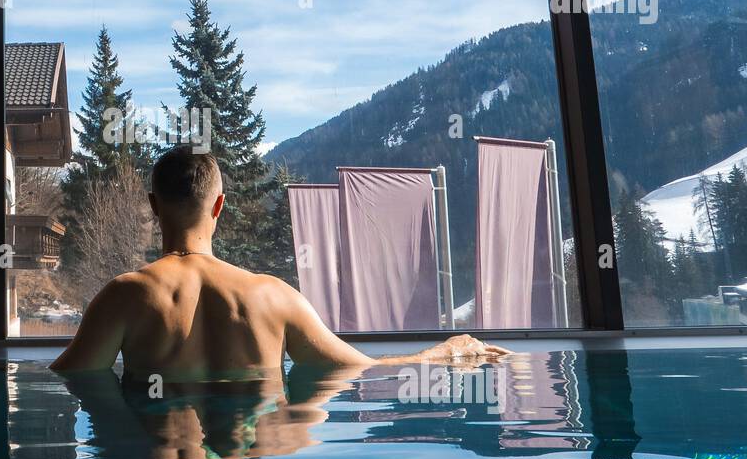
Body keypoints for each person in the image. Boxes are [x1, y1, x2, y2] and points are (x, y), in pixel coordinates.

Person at [49, 144, 510, 379]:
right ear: (219, 206)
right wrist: (444, 353)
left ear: (153, 205)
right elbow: (360, 368)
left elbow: (69, 380)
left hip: (160, 444)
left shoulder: (125, 296)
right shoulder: (273, 296)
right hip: (251, 439)